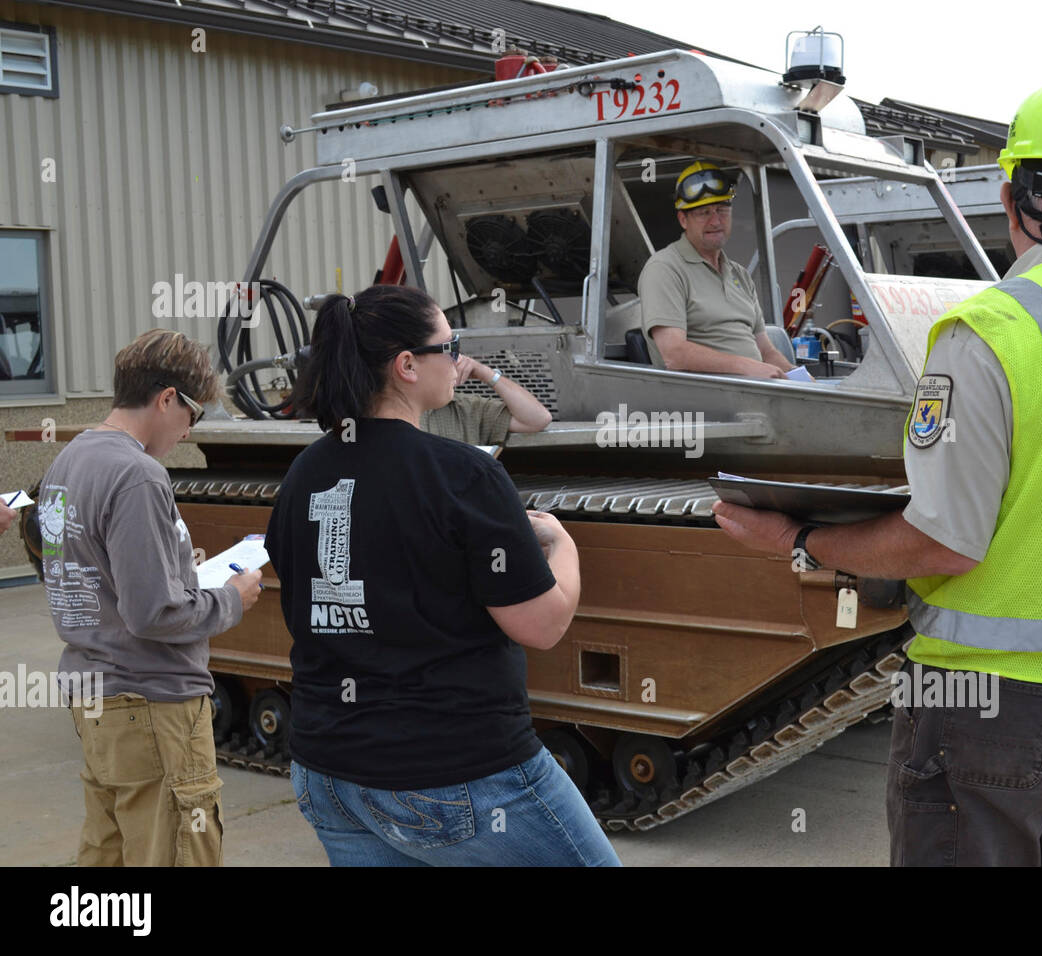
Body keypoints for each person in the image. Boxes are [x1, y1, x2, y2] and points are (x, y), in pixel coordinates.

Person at [712, 80, 1042, 866]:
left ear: (1012, 199)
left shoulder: (988, 331)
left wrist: (802, 537)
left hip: (991, 701)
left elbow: (945, 543)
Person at [265, 285, 619, 867]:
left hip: (329, 771)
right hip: (457, 770)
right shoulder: (463, 474)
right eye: (449, 346)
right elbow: (543, 624)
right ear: (407, 366)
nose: (458, 358)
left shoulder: (305, 473)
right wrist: (564, 545)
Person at [38, 329, 263, 866]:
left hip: (96, 697)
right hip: (152, 705)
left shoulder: (66, 465)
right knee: (178, 852)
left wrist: (175, 569)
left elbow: (78, 572)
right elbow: (153, 614)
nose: (190, 430)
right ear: (166, 399)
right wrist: (231, 599)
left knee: (109, 863)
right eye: (193, 414)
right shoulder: (138, 475)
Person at [638, 161, 796, 377]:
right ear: (683, 219)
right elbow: (674, 354)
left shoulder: (739, 274)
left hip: (757, 394)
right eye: (704, 213)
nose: (715, 221)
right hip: (708, 402)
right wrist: (748, 367)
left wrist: (797, 377)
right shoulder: (665, 269)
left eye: (722, 210)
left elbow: (766, 351)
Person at [420, 351, 551, 445]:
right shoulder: (400, 412)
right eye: (446, 348)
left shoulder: (467, 408)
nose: (454, 358)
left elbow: (538, 419)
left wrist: (486, 373)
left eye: (455, 349)